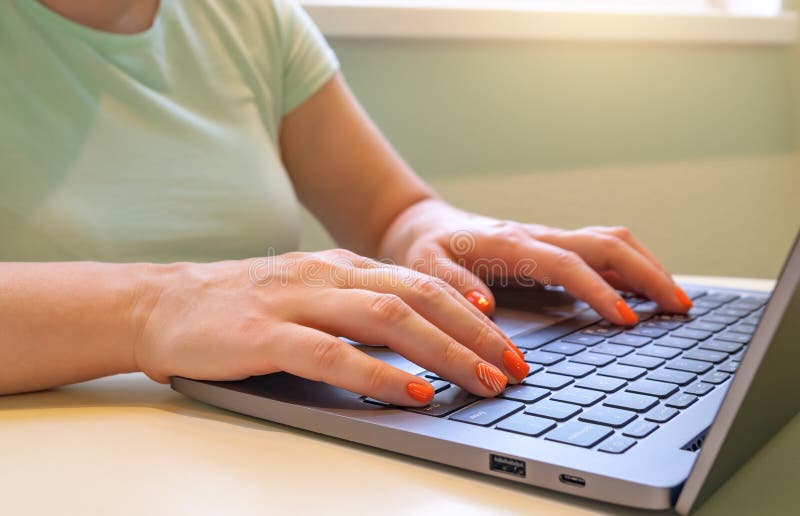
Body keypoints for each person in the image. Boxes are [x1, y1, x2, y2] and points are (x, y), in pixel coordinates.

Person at [0, 0, 693, 404]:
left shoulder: (247, 14)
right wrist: (156, 305)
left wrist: (442, 234)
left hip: (255, 451)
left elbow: (390, 211)